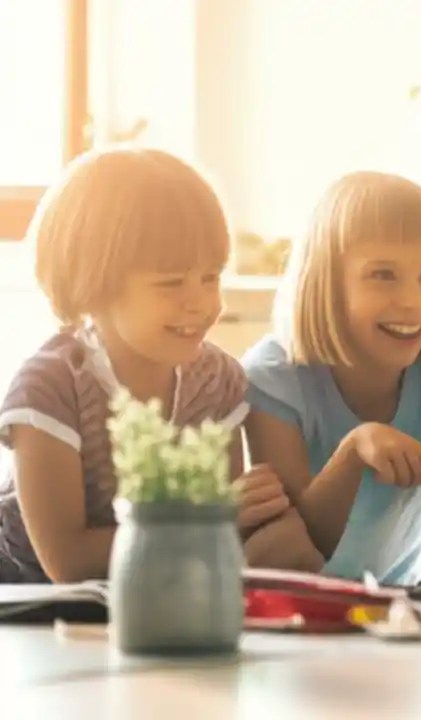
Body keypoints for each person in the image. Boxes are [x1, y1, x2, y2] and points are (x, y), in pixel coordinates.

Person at [0, 147, 316, 582]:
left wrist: (236, 516)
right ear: (94, 284)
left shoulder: (216, 381)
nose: (202, 303)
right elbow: (66, 563)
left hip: (158, 590)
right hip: (31, 605)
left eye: (211, 277)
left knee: (289, 542)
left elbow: (218, 534)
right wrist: (210, 517)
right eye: (171, 283)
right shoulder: (51, 387)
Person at [242, 172, 421, 595]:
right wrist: (354, 451)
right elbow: (290, 554)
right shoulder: (272, 377)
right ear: (327, 285)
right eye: (382, 275)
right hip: (295, 607)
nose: (414, 303)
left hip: (393, 603)